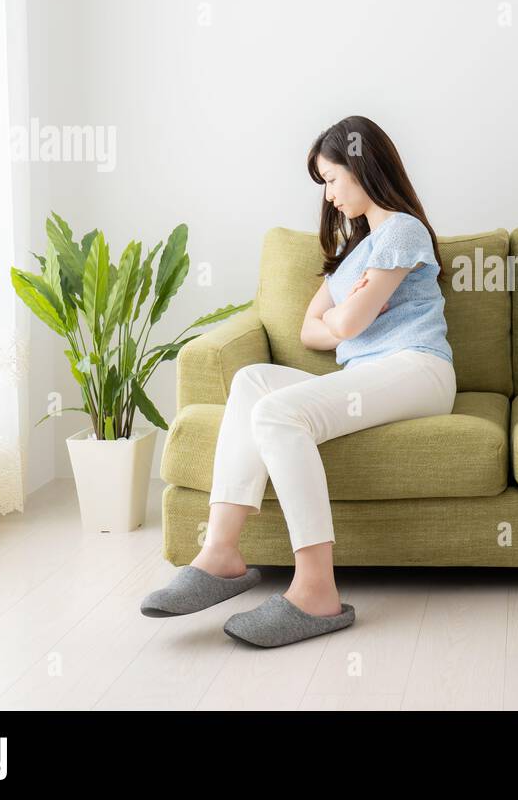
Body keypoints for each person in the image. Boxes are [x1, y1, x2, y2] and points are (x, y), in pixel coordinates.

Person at [141, 115, 456, 648]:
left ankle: (315, 591)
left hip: (417, 369)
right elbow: (309, 330)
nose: (329, 195)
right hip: (372, 372)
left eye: (332, 179)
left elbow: (346, 324)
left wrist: (346, 316)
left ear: (363, 167)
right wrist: (347, 311)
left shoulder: (402, 228)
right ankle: (220, 552)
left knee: (278, 412)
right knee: (251, 382)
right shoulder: (360, 251)